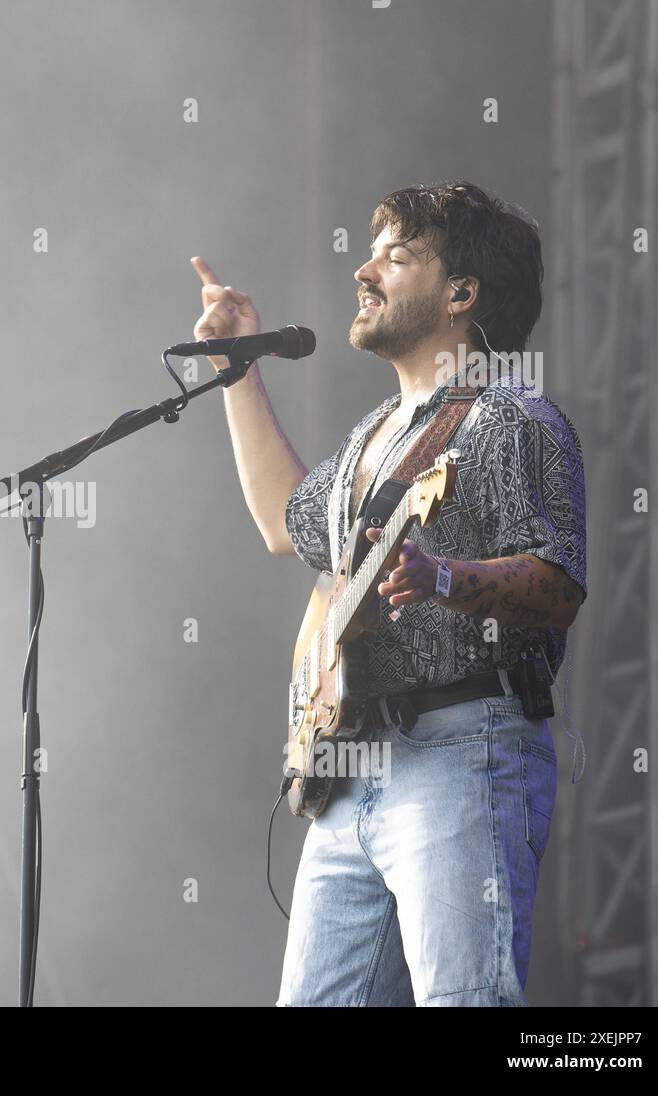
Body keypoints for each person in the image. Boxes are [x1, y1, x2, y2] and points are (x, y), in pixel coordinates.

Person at [191, 181, 586, 1006]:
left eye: (396, 256)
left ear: (462, 294)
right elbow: (282, 523)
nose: (364, 271)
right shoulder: (374, 434)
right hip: (351, 767)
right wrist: (238, 374)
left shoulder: (509, 419)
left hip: (460, 752)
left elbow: (557, 586)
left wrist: (450, 579)